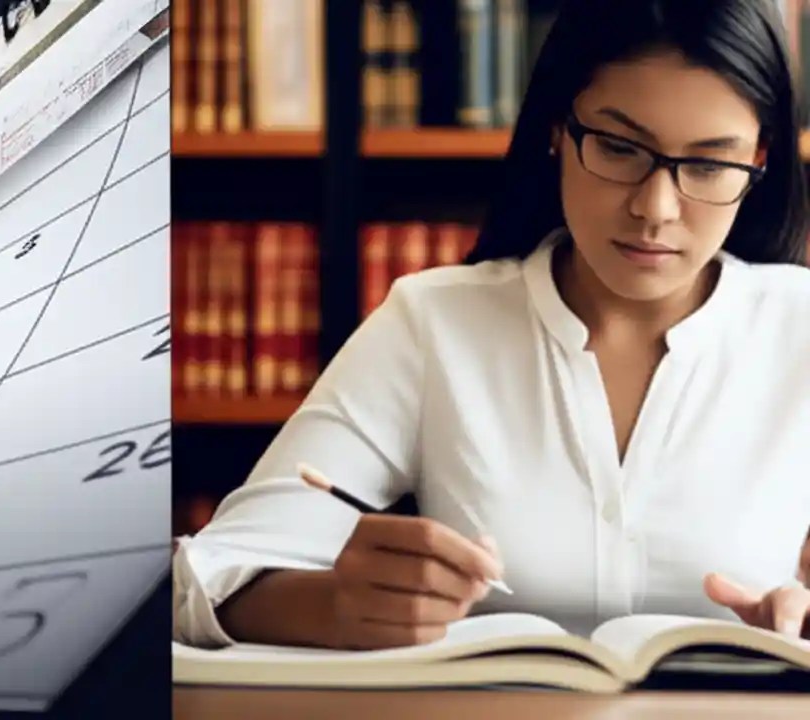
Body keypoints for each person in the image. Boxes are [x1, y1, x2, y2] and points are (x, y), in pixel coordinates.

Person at [172, 0, 810, 651]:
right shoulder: (433, 323)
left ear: (760, 159)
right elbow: (205, 578)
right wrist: (333, 606)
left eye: (708, 165)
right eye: (619, 148)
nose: (655, 208)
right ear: (558, 127)